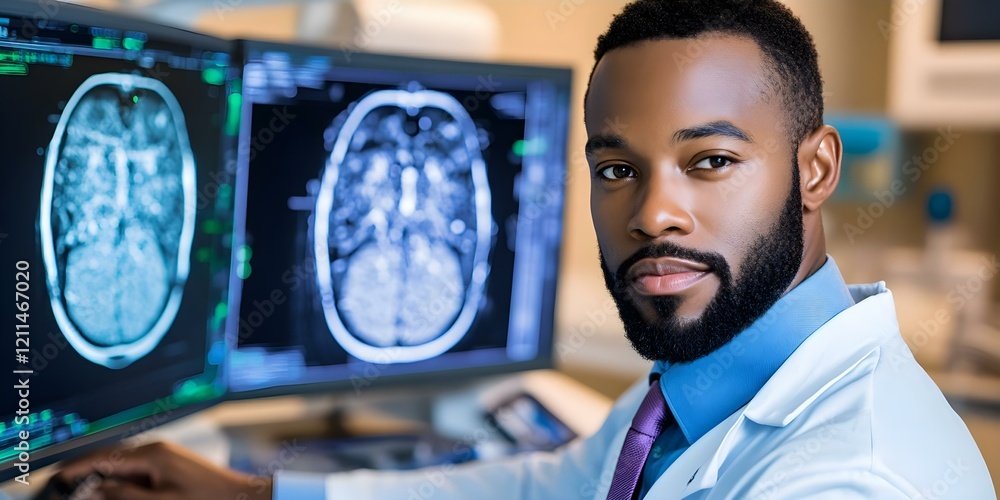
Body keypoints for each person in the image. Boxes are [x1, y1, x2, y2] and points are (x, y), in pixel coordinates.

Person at [54, 0, 996, 498]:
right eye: (617, 169)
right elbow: (554, 487)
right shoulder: (707, 379)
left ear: (818, 168)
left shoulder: (844, 482)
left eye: (710, 160)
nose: (654, 215)